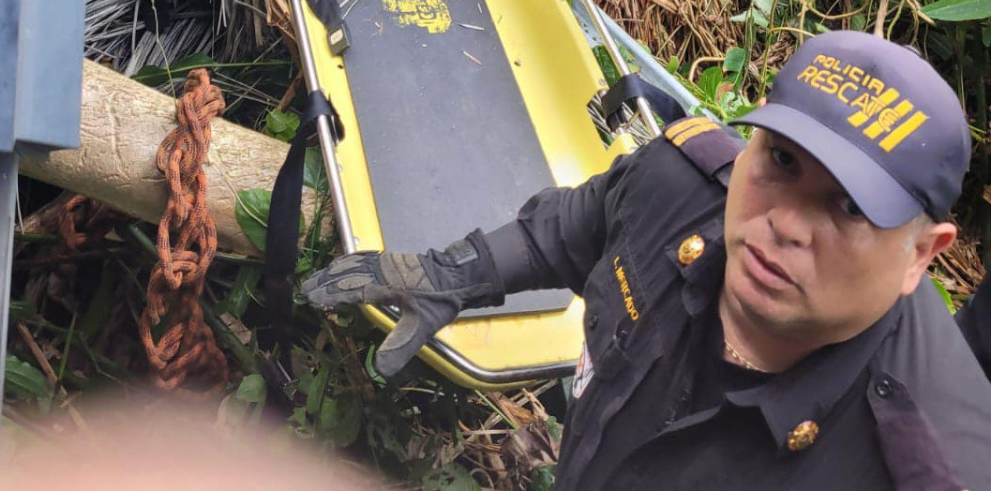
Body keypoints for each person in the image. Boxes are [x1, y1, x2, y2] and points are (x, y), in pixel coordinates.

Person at [304, 31, 991, 489]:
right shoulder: (682, 186)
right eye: (780, 161)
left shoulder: (928, 466)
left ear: (920, 257)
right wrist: (462, 271)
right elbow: (587, 220)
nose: (784, 224)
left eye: (847, 209)